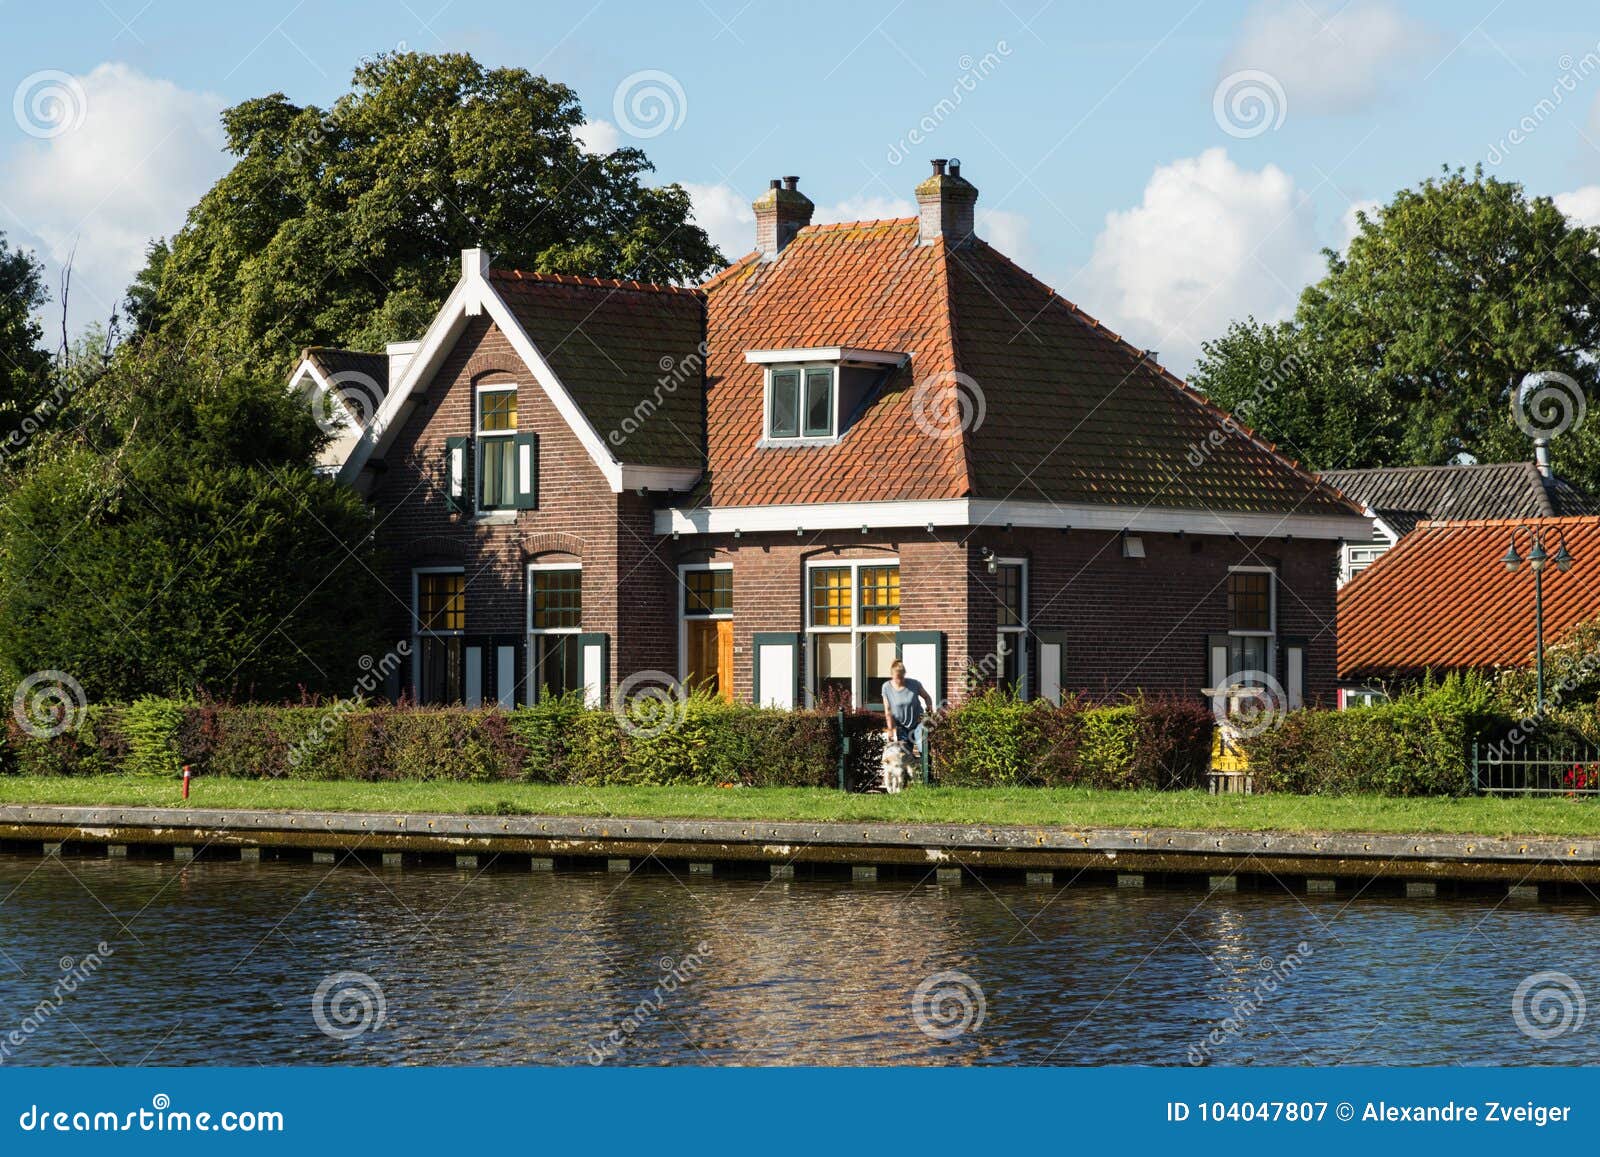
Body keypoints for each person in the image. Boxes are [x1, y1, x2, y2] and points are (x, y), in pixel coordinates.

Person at [881, 659, 934, 750]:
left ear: (904, 674)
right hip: (901, 727)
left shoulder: (914, 684)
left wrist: (929, 713)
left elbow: (927, 697)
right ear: (892, 675)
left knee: (923, 748)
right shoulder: (886, 687)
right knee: (905, 754)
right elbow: (888, 711)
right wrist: (890, 730)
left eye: (902, 677)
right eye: (897, 678)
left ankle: (926, 763)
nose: (900, 680)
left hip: (918, 723)